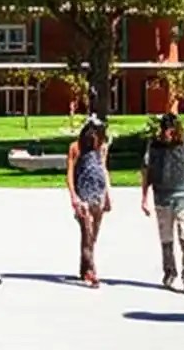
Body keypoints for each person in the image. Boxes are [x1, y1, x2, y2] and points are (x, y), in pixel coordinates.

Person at [141, 114, 184, 293]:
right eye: (164, 129)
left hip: (183, 198)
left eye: (169, 130)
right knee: (166, 238)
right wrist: (144, 197)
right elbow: (146, 172)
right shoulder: (154, 147)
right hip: (161, 197)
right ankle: (170, 271)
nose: (166, 134)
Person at [66, 118, 112, 287]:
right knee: (87, 233)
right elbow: (70, 174)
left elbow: (104, 170)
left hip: (98, 196)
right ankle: (92, 271)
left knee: (92, 236)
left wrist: (108, 195)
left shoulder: (102, 149)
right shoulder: (75, 148)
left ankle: (84, 267)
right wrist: (74, 197)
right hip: (83, 196)